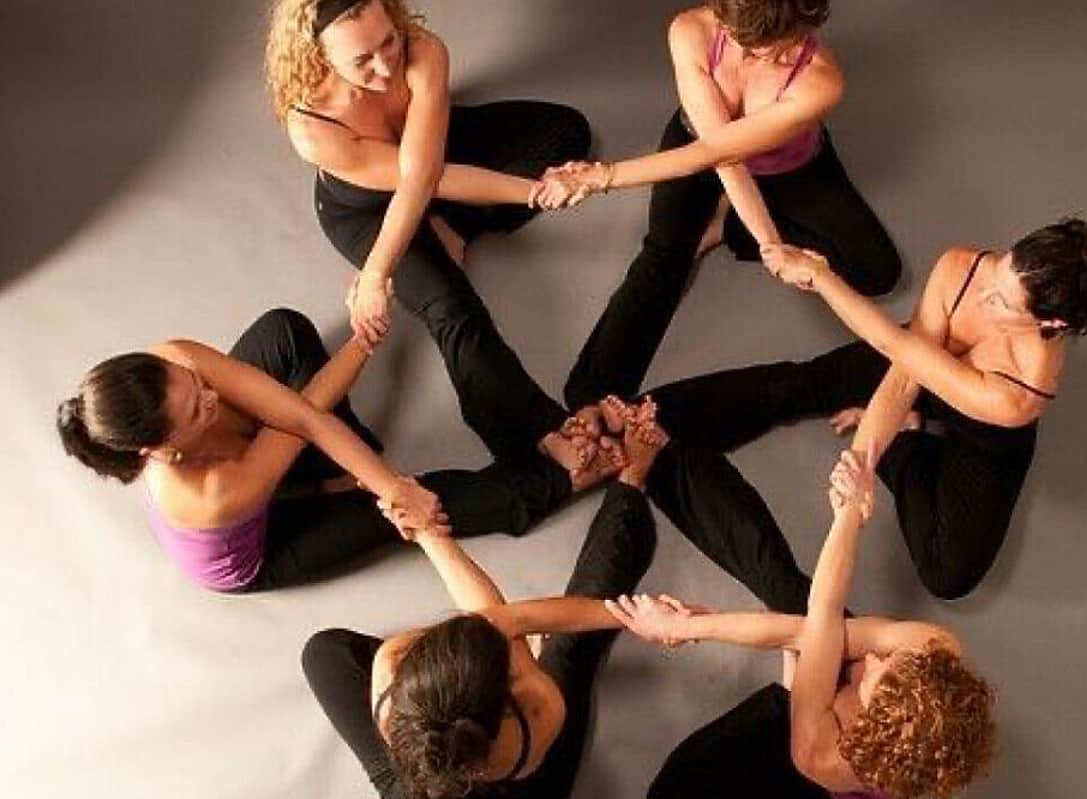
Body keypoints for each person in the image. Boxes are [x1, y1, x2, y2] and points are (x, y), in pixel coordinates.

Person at [572, 218, 1087, 598]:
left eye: (1002, 302)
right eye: (997, 273)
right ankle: (648, 416)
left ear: (1053, 325)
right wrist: (861, 456)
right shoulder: (965, 267)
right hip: (913, 360)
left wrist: (875, 454)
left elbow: (898, 352)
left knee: (948, 572)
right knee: (802, 383)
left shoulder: (1019, 394)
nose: (985, 295)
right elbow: (905, 370)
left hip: (981, 430)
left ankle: (911, 443)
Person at [56, 308, 619, 592]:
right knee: (401, 511)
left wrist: (361, 342)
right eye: (196, 407)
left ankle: (342, 468)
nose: (208, 390)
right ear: (160, 449)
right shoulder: (213, 497)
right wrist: (395, 490)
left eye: (195, 381)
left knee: (282, 331)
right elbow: (302, 420)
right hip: (265, 544)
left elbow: (299, 413)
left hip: (271, 448)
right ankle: (552, 483)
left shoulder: (174, 360)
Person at [543, 0, 900, 410]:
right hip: (699, 152)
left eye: (781, 44)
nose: (762, 55)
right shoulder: (690, 30)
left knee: (877, 272)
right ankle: (589, 397)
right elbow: (716, 154)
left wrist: (599, 176)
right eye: (746, 43)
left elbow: (721, 151)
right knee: (663, 255)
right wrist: (769, 241)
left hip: (789, 170)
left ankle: (724, 227)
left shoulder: (820, 80)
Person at [300, 415, 670, 799]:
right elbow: (511, 621)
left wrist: (426, 530)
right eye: (519, 653)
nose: (523, 639)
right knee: (571, 651)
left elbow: (506, 619)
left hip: (427, 764)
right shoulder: (536, 722)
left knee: (325, 653)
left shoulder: (391, 668)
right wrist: (642, 614)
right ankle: (631, 484)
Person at [608, 450, 996, 799]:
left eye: (873, 681)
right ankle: (673, 459)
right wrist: (850, 512)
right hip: (824, 712)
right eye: (891, 662)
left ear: (867, 723)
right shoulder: (934, 646)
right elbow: (809, 626)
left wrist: (681, 628)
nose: (874, 660)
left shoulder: (822, 755)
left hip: (787, 767)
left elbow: (812, 631)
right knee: (780, 582)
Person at [265, 0, 591, 351]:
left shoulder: (424, 48)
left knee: (566, 131)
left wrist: (550, 188)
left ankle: (452, 226)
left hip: (431, 157)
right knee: (455, 312)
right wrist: (376, 274)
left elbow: (425, 172)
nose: (385, 68)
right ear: (320, 57)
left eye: (388, 41)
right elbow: (424, 177)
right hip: (365, 207)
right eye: (362, 62)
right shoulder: (310, 128)